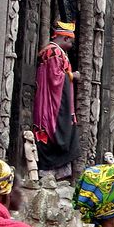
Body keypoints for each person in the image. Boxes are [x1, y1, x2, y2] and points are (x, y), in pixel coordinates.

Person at [33, 20, 80, 180]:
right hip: (53, 101)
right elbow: (55, 79)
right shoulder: (53, 52)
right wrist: (72, 76)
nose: (72, 45)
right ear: (65, 38)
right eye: (71, 42)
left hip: (53, 98)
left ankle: (58, 170)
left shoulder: (54, 51)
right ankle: (50, 171)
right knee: (57, 128)